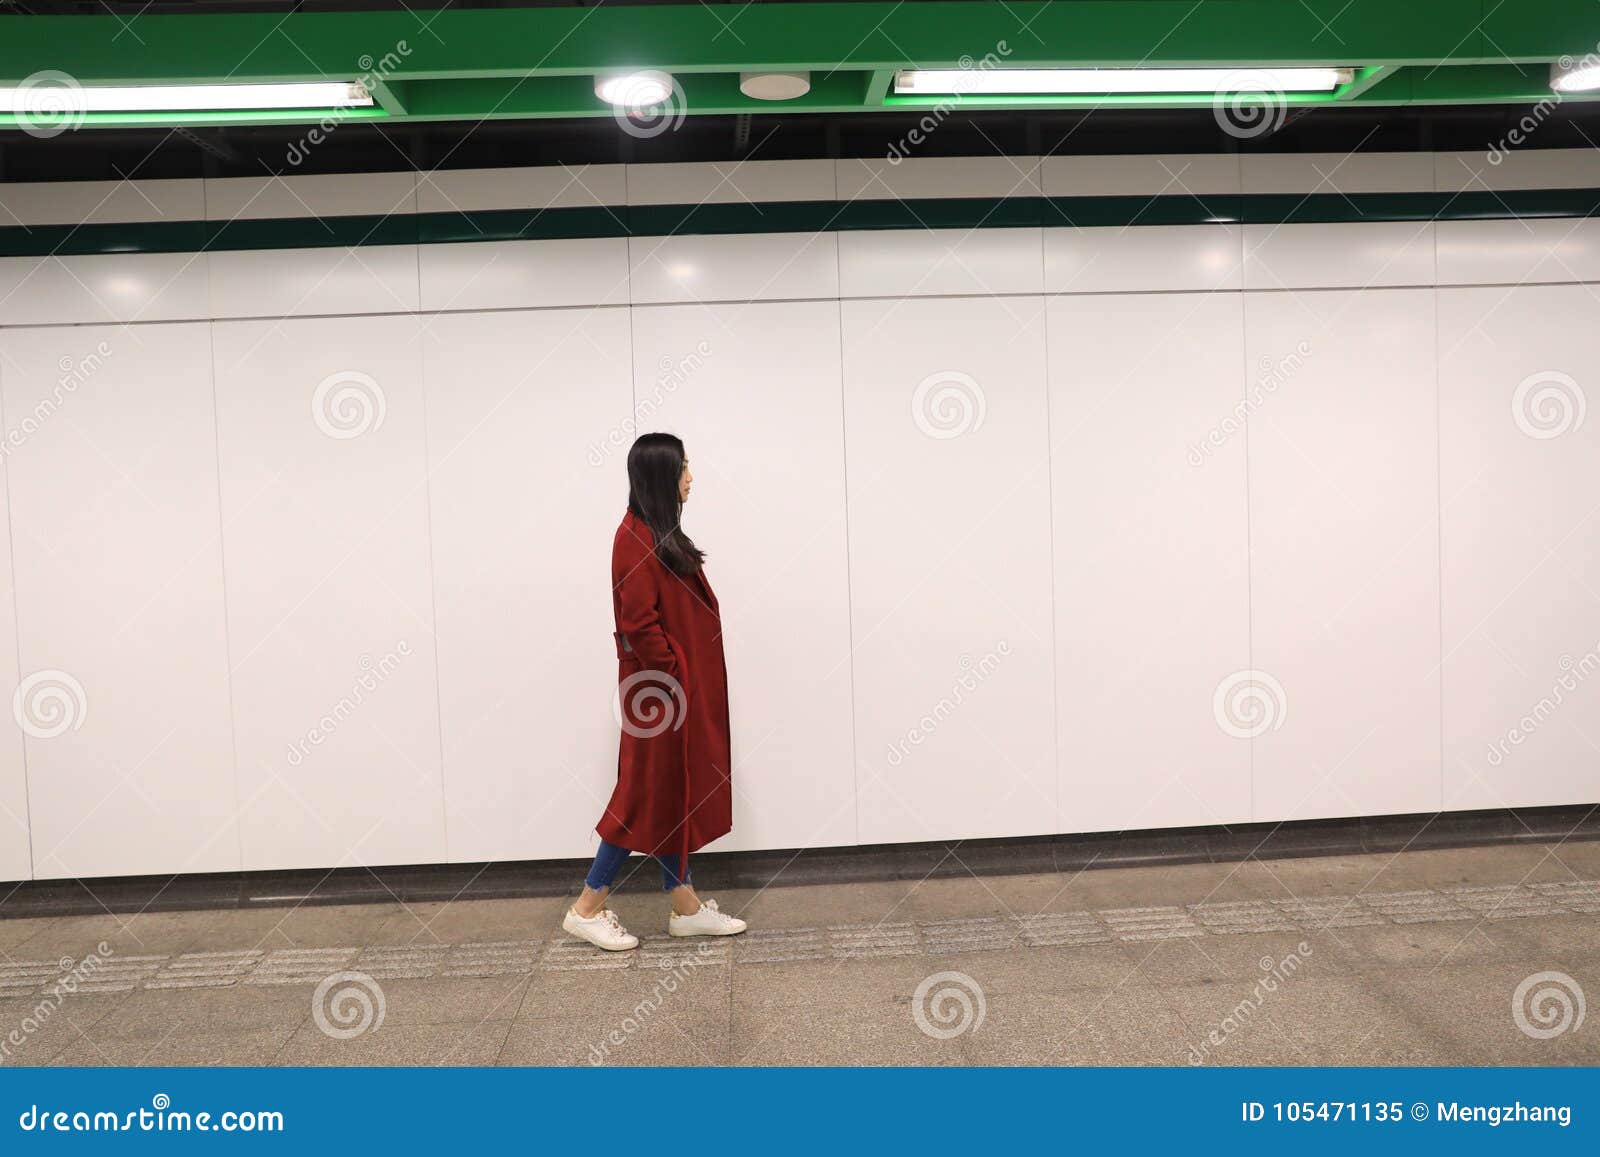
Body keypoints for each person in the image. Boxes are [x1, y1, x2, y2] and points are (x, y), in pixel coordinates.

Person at [562, 432, 747, 950]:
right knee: (641, 793)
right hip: (660, 694)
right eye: (683, 467)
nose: (691, 477)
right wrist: (675, 673)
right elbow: (638, 623)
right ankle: (587, 906)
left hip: (668, 690)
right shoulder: (634, 537)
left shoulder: (656, 532)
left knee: (670, 788)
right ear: (661, 476)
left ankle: (684, 906)